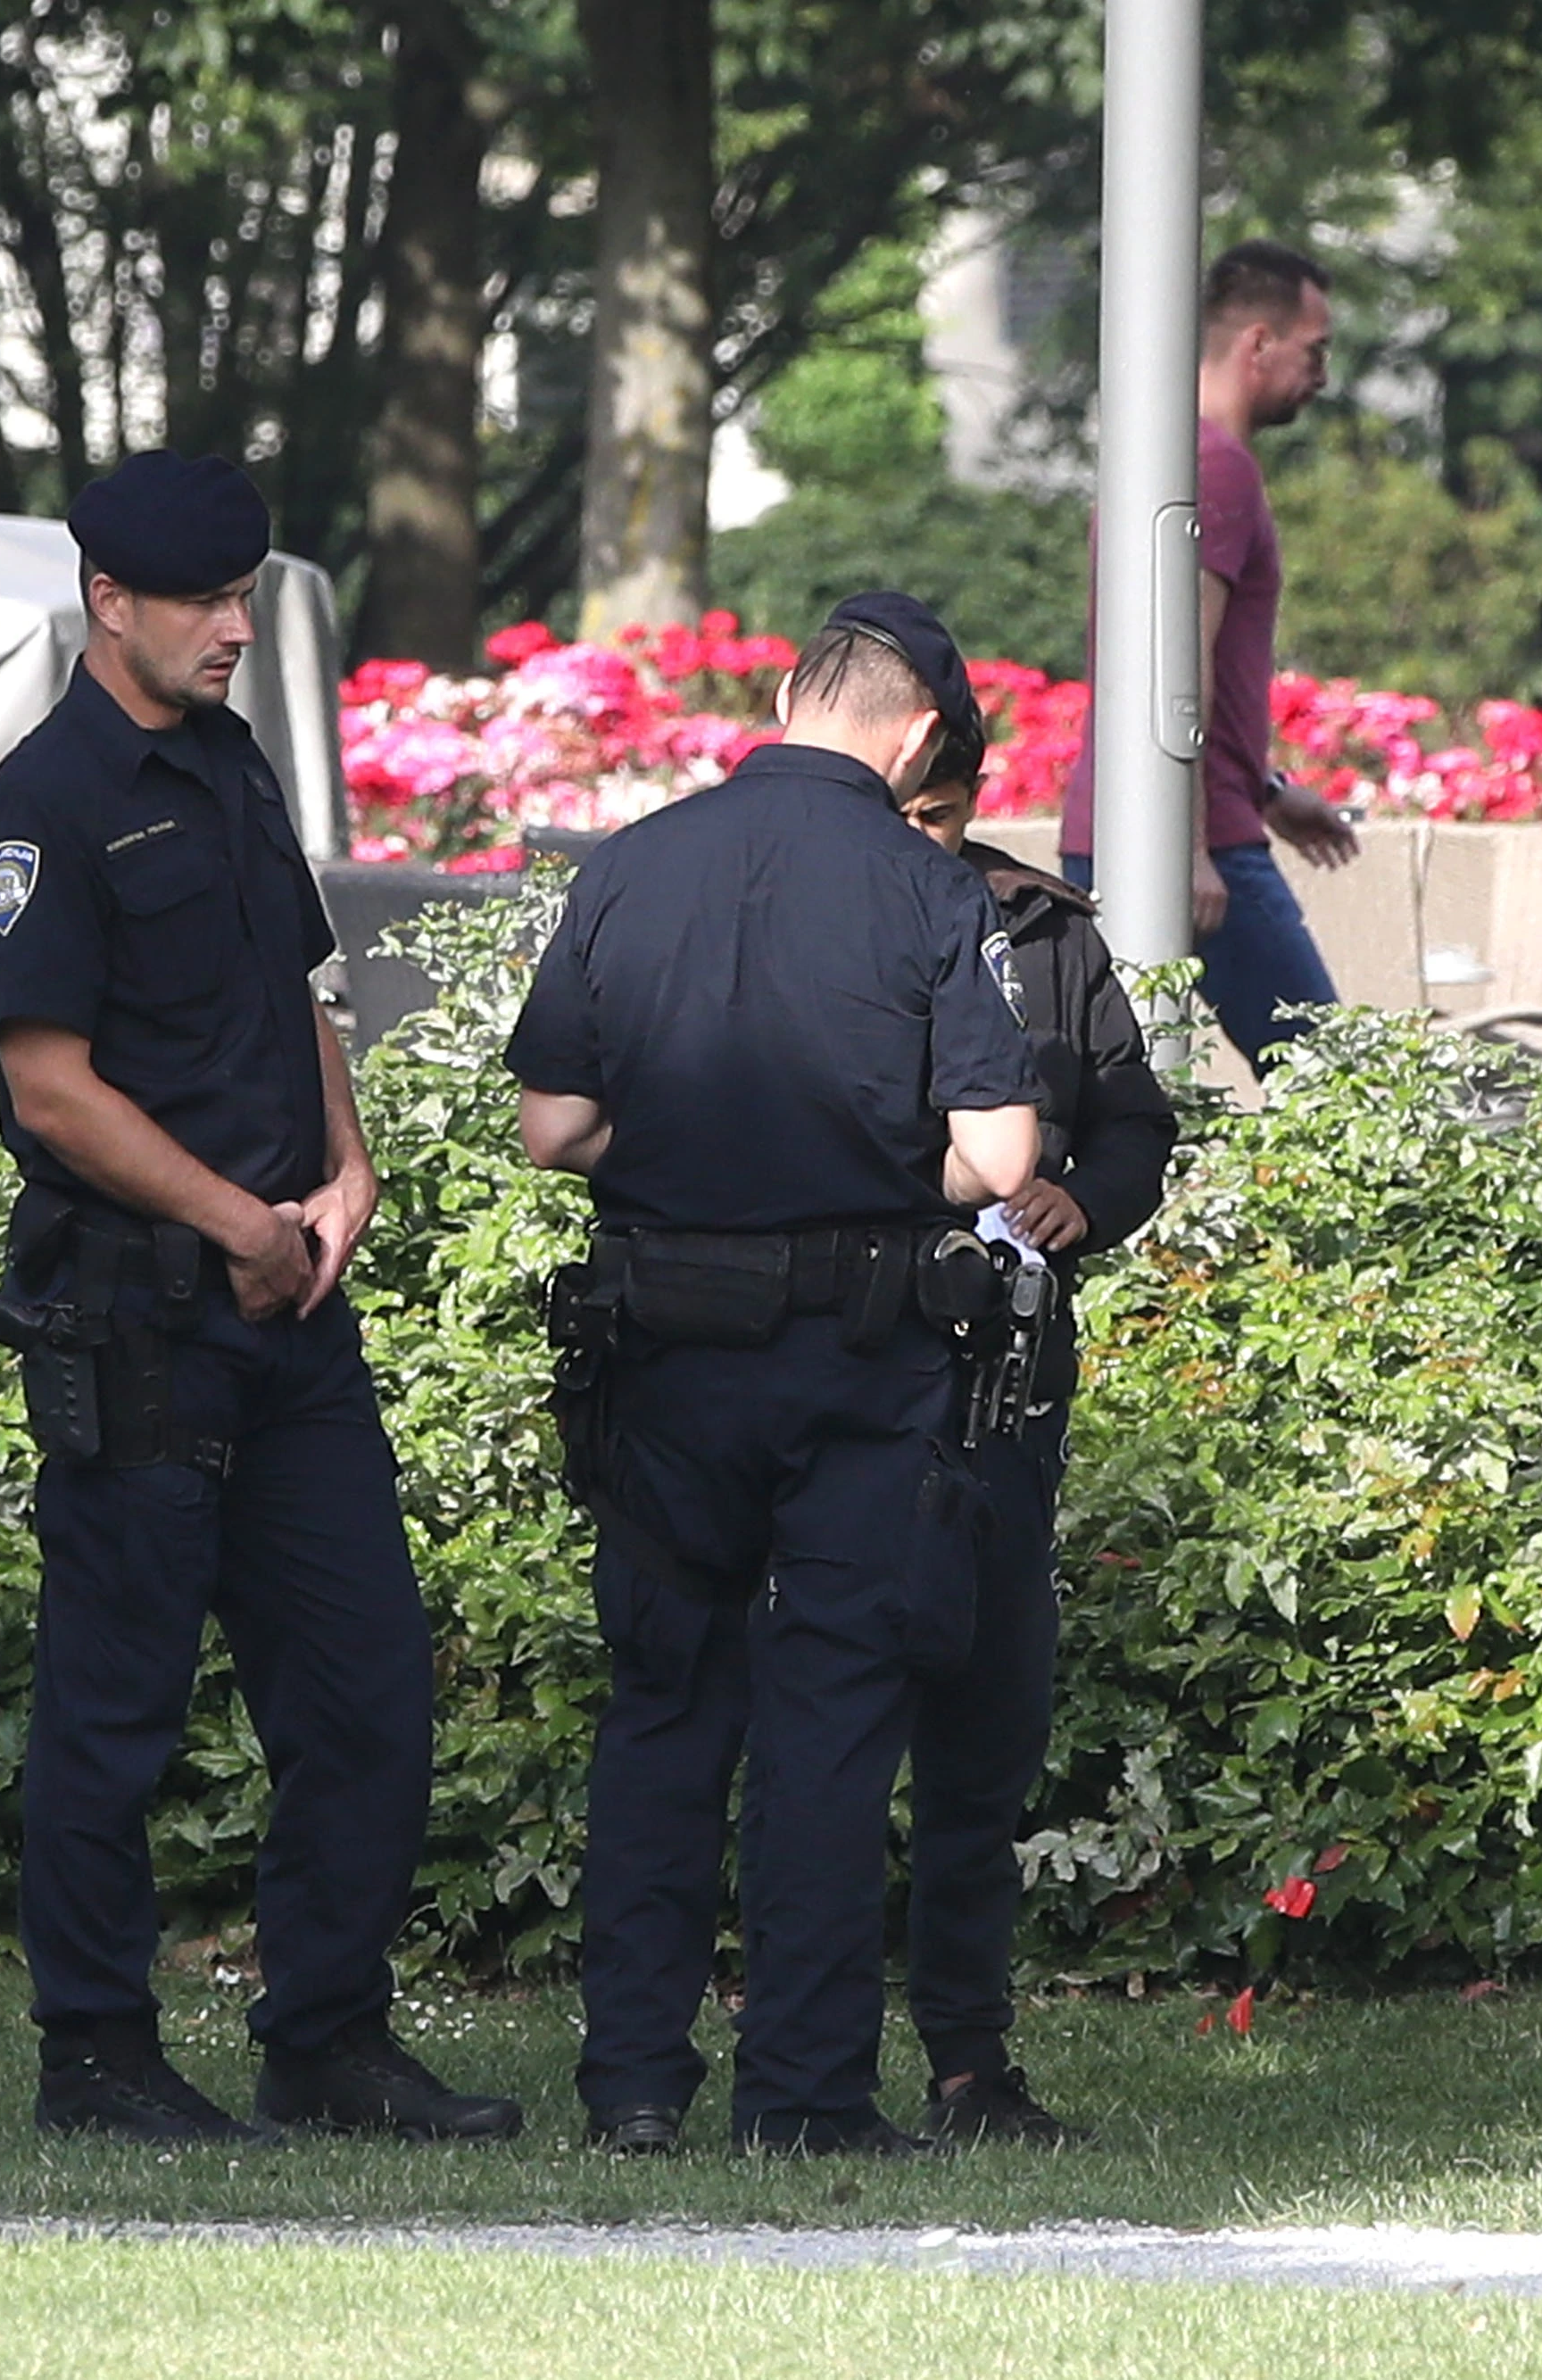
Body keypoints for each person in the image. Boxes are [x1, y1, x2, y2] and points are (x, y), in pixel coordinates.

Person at [0, 451, 518, 2145]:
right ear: (107, 599)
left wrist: (346, 1174)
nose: (234, 625)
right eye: (204, 599)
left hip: (288, 1309)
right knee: (115, 1707)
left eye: (246, 592)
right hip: (142, 1318)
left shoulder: (234, 762)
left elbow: (300, 982)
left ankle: (327, 2039)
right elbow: (49, 1086)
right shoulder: (41, 803)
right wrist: (234, 1223)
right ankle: (97, 2057)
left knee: (365, 1682)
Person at [507, 591, 1043, 2159]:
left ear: (793, 698)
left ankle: (632, 2086)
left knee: (664, 1707)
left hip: (663, 1350)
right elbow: (1002, 1150)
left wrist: (688, 1169)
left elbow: (555, 1124)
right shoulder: (923, 883)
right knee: (828, 1724)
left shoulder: (636, 859)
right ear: (922, 734)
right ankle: (805, 2097)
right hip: (860, 1360)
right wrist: (871, 1168)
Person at [889, 768, 1177, 2144]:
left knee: (985, 1735)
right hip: (857, 1366)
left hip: (1006, 1389)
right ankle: (797, 2056)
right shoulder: (835, 910)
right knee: (820, 1733)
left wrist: (1087, 1198)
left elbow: (1135, 1120)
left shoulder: (1047, 931)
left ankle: (966, 2064)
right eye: (910, 813)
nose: (927, 842)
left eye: (946, 815)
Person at [1059, 236, 1360, 1071]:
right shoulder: (1213, 466)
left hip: (1125, 822)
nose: (1324, 374)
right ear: (1258, 342)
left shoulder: (1159, 456)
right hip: (1190, 837)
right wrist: (1188, 846)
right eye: (1316, 348)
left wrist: (1266, 791)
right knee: (1334, 1090)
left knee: (1116, 1100)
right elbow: (1171, 654)